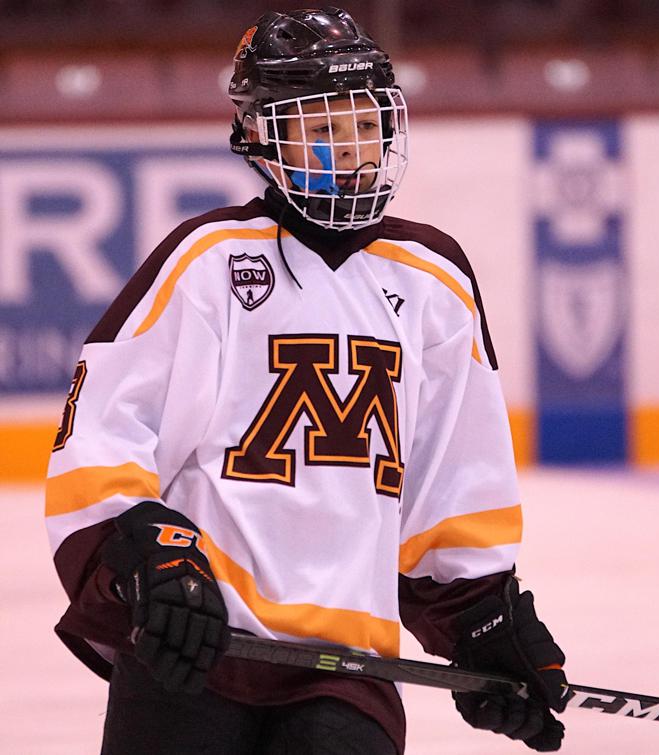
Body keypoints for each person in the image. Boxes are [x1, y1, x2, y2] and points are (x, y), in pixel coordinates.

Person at [44, 7, 567, 753]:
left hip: (349, 668)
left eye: (362, 126)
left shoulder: (433, 280)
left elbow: (455, 472)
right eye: (322, 131)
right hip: (197, 648)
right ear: (260, 137)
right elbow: (100, 431)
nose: (350, 150)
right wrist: (146, 545)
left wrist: (481, 618)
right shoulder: (207, 261)